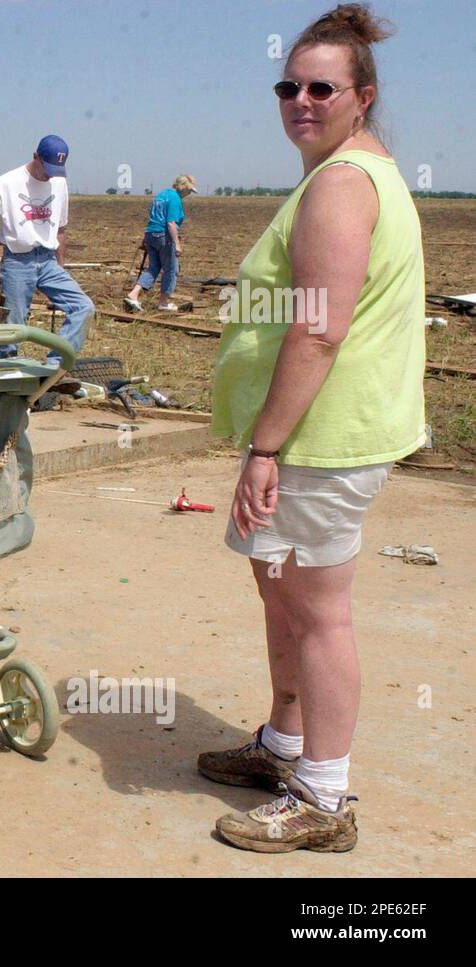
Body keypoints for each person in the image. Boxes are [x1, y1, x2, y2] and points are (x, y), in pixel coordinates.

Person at [203, 3, 424, 853]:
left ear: (360, 95)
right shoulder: (360, 171)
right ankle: (284, 745)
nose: (301, 99)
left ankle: (324, 795)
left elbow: (319, 328)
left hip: (318, 440)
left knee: (320, 610)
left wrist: (266, 448)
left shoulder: (340, 185)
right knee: (280, 585)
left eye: (321, 87)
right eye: (288, 85)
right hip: (313, 435)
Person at [0, 134, 94, 365]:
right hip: (17, 262)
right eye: (46, 167)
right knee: (12, 330)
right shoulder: (7, 183)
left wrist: (60, 268)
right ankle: (6, 377)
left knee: (84, 307)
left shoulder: (59, 182)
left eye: (55, 169)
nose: (49, 174)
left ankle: (55, 369)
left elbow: (60, 229)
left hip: (48, 261)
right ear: (35, 156)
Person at [124, 175, 198, 312]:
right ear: (183, 188)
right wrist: (177, 244)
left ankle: (133, 294)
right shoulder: (175, 199)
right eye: (189, 190)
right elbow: (171, 223)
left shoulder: (161, 195)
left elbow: (154, 218)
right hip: (164, 237)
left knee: (153, 267)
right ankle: (164, 303)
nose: (189, 194)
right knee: (171, 269)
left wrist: (145, 239)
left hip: (151, 235)